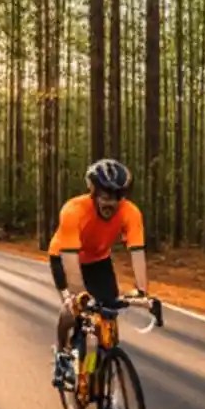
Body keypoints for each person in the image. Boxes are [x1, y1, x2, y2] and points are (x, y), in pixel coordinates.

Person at [49, 159, 149, 386]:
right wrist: (80, 296)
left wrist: (143, 292)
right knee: (73, 307)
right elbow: (71, 265)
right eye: (104, 195)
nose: (110, 202)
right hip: (64, 258)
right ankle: (62, 354)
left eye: (116, 196)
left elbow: (137, 252)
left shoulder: (130, 213)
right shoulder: (73, 211)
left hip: (98, 261)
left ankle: (95, 368)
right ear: (93, 192)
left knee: (108, 315)